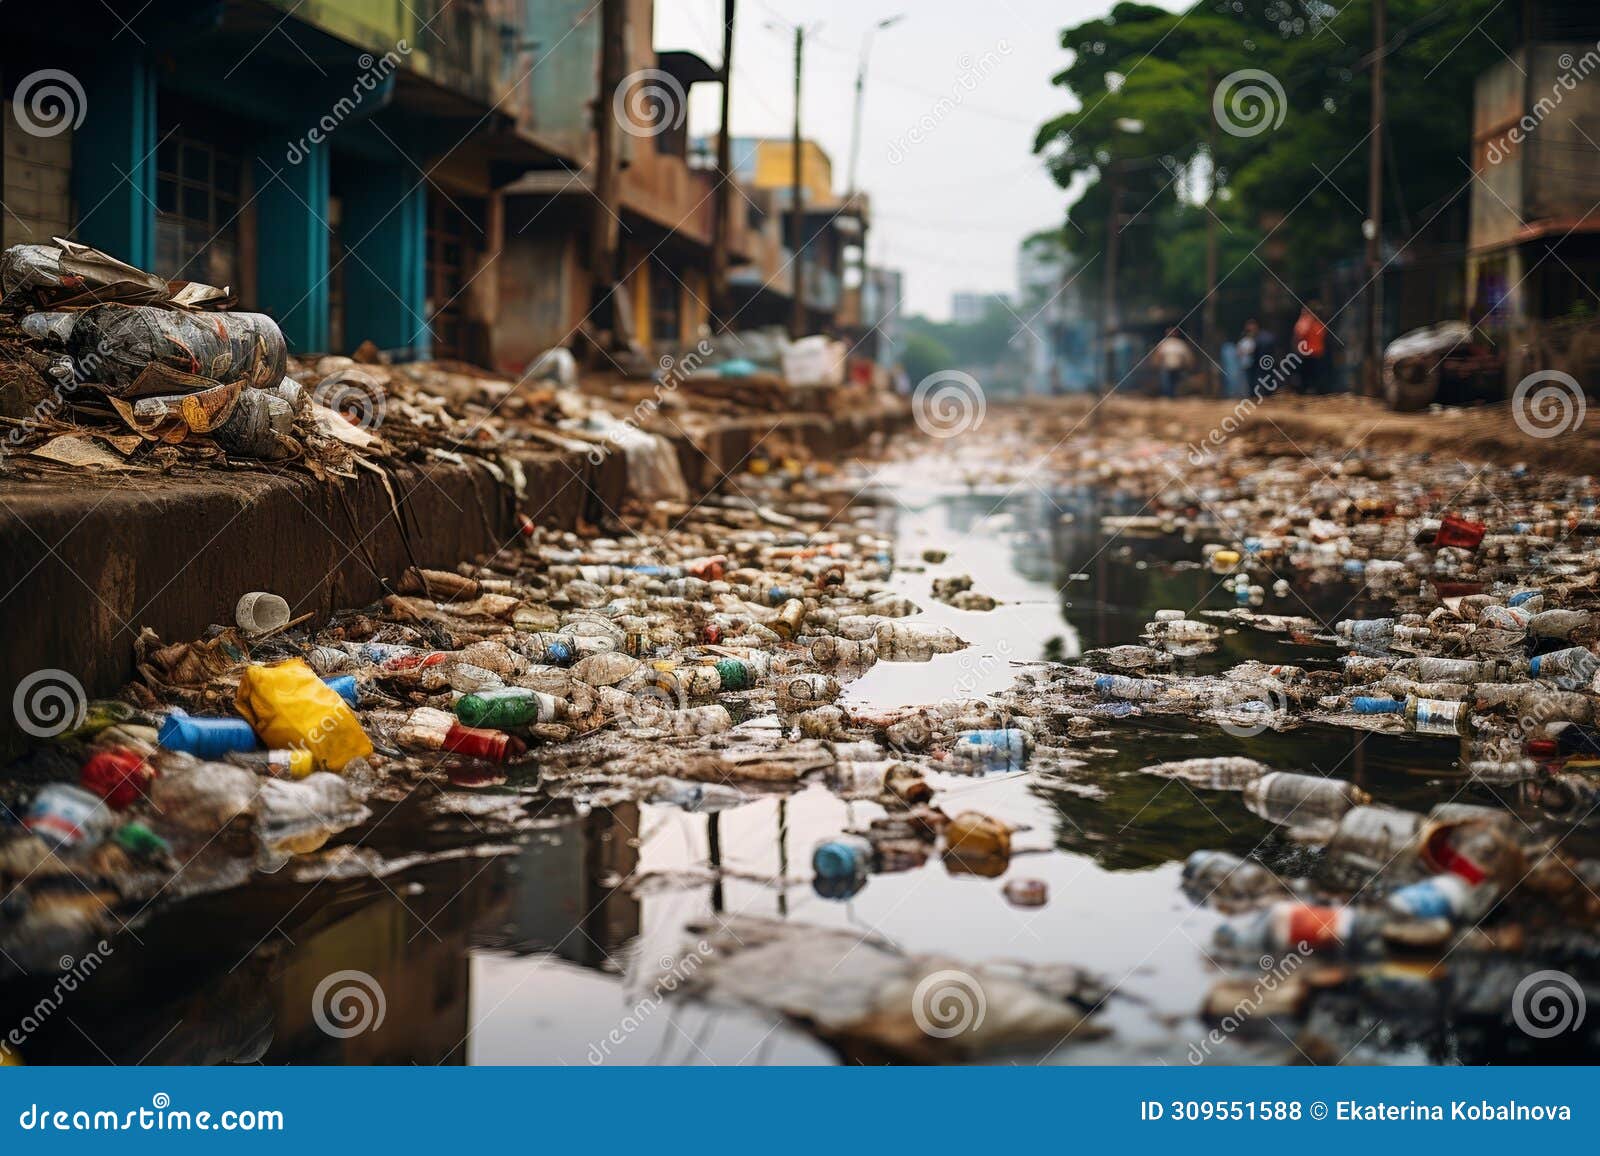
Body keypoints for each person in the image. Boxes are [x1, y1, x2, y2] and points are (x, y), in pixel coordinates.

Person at [1293, 302, 1329, 395]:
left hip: (1317, 353)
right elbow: (1301, 333)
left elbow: (1322, 336)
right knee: (1306, 376)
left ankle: (1315, 391)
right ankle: (1306, 391)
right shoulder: (1303, 323)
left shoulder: (1318, 324)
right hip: (1306, 354)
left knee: (1316, 375)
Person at [1153, 328, 1195, 399]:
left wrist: (1188, 364)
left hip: (1178, 367)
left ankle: (1175, 398)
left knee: (1177, 383)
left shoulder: (1180, 344)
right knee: (1166, 384)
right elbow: (1158, 354)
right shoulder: (1164, 343)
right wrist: (1156, 363)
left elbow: (1187, 356)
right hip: (1166, 367)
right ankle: (1168, 397)